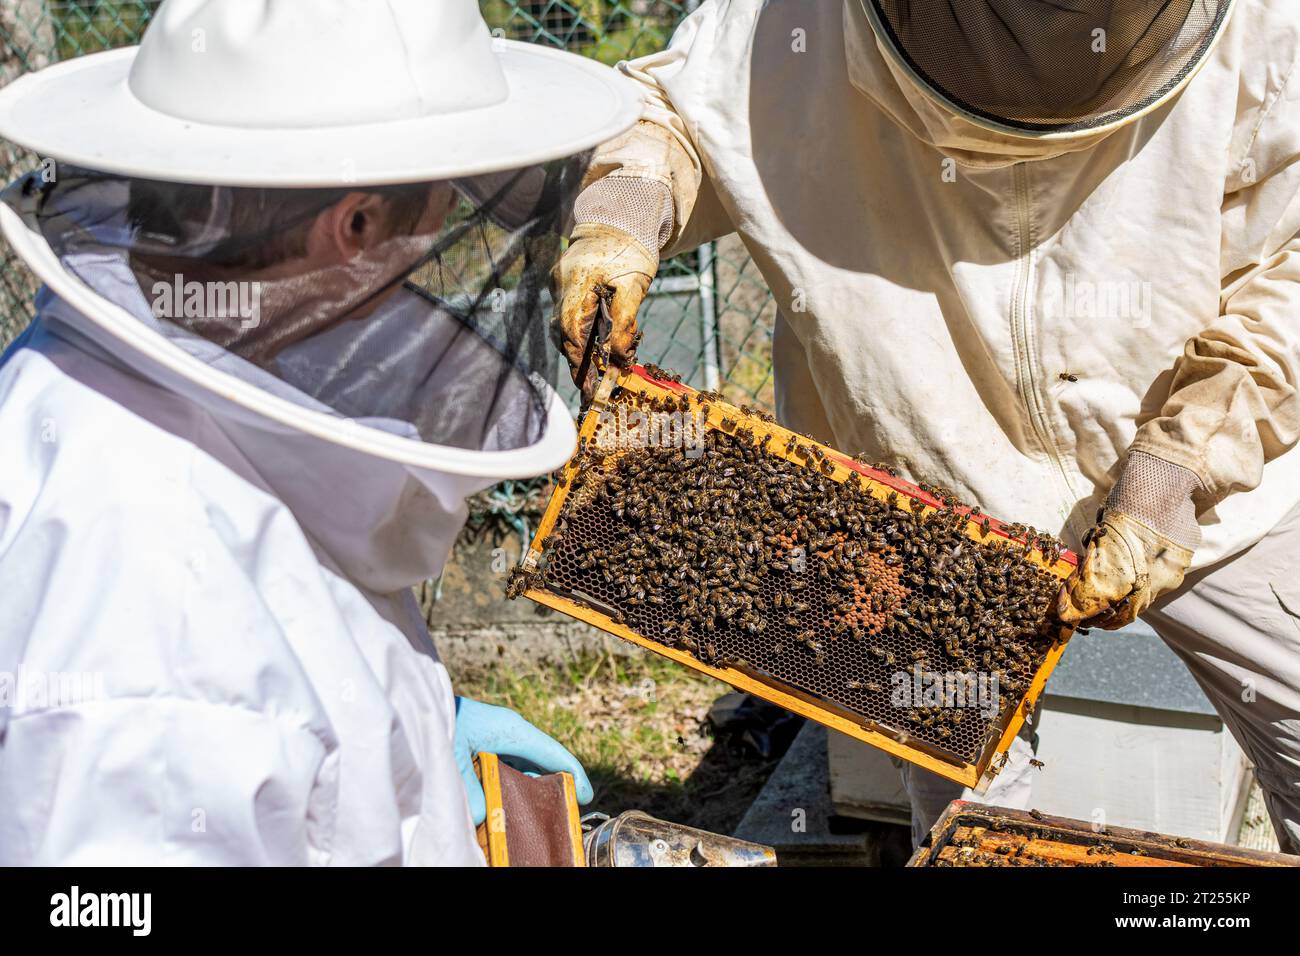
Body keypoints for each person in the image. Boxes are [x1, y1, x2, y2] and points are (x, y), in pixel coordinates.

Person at [552, 0, 1300, 851]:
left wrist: (1182, 464)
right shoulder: (793, 22)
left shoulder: (1268, 27)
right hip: (919, 483)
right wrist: (621, 213)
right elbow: (676, 114)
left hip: (1208, 470)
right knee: (968, 830)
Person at [0, 0, 640, 864]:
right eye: (435, 217)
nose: (442, 248)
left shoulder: (167, 387)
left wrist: (412, 737)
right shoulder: (155, 626)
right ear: (359, 225)